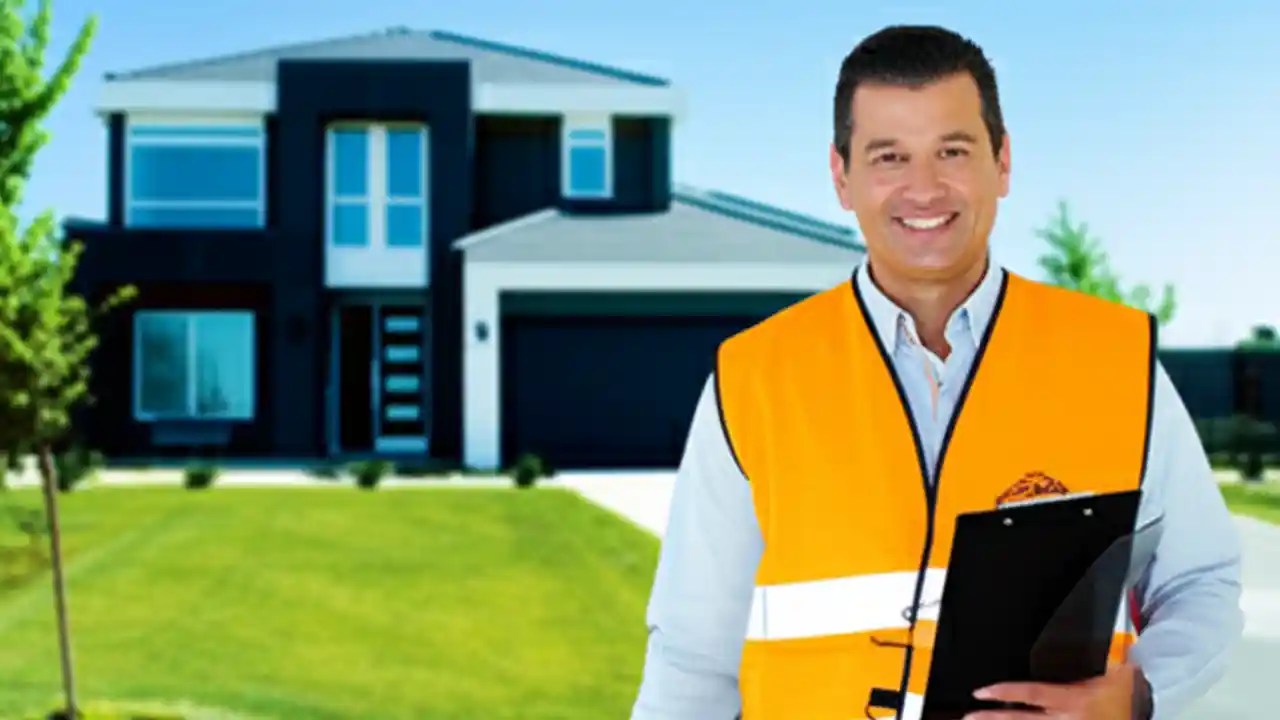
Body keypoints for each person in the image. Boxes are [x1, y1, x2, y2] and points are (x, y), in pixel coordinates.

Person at [630, 24, 1243, 720]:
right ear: (842, 176)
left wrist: (1138, 692)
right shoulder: (754, 380)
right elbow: (691, 653)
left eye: (952, 151)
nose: (923, 189)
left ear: (1002, 161)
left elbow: (1202, 580)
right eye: (889, 157)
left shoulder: (1115, 360)